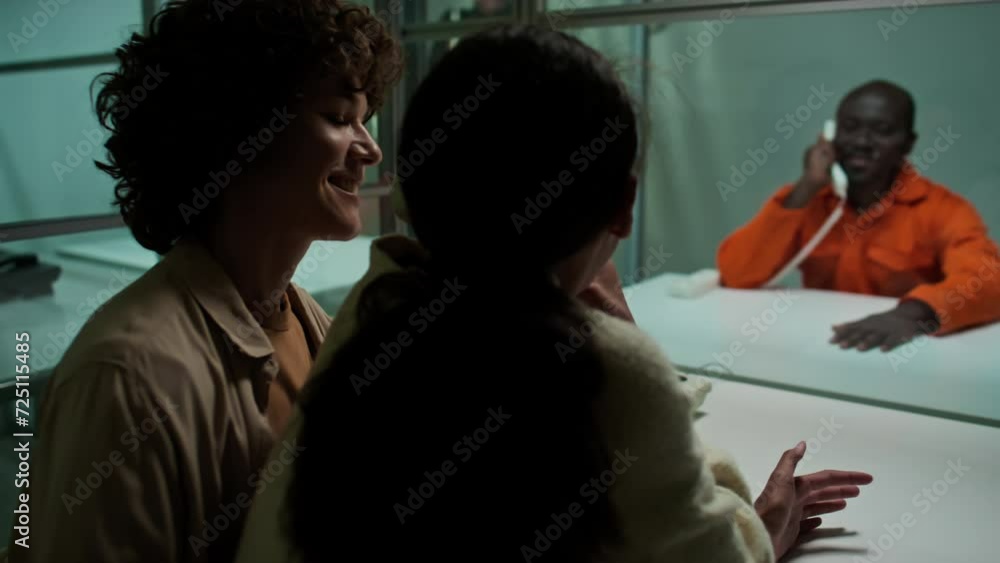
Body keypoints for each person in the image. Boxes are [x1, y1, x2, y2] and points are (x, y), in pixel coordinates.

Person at [236, 24, 871, 563]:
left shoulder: (374, 303)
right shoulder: (605, 368)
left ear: (410, 187)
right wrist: (763, 523)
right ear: (622, 208)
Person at [6, 1, 401, 562]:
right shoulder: (125, 380)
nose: (369, 148)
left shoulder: (310, 321)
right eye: (340, 117)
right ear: (241, 134)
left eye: (365, 118)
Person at [717, 80, 1000, 352]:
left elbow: (988, 281)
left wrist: (913, 314)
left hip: (903, 354)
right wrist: (807, 186)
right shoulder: (808, 200)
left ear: (908, 143)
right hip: (821, 345)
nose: (862, 142)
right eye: (850, 128)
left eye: (882, 130)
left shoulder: (943, 209)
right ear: (830, 135)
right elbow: (737, 274)